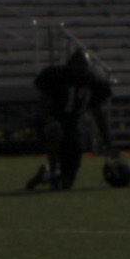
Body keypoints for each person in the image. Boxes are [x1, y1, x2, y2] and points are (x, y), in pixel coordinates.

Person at [27, 44, 115, 192]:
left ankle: (46, 175)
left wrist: (107, 141)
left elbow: (98, 113)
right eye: (79, 64)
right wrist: (41, 121)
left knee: (67, 183)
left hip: (73, 125)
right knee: (55, 129)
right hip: (53, 119)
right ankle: (54, 171)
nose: (82, 68)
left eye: (85, 65)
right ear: (70, 64)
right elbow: (44, 103)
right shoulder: (57, 76)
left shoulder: (92, 81)